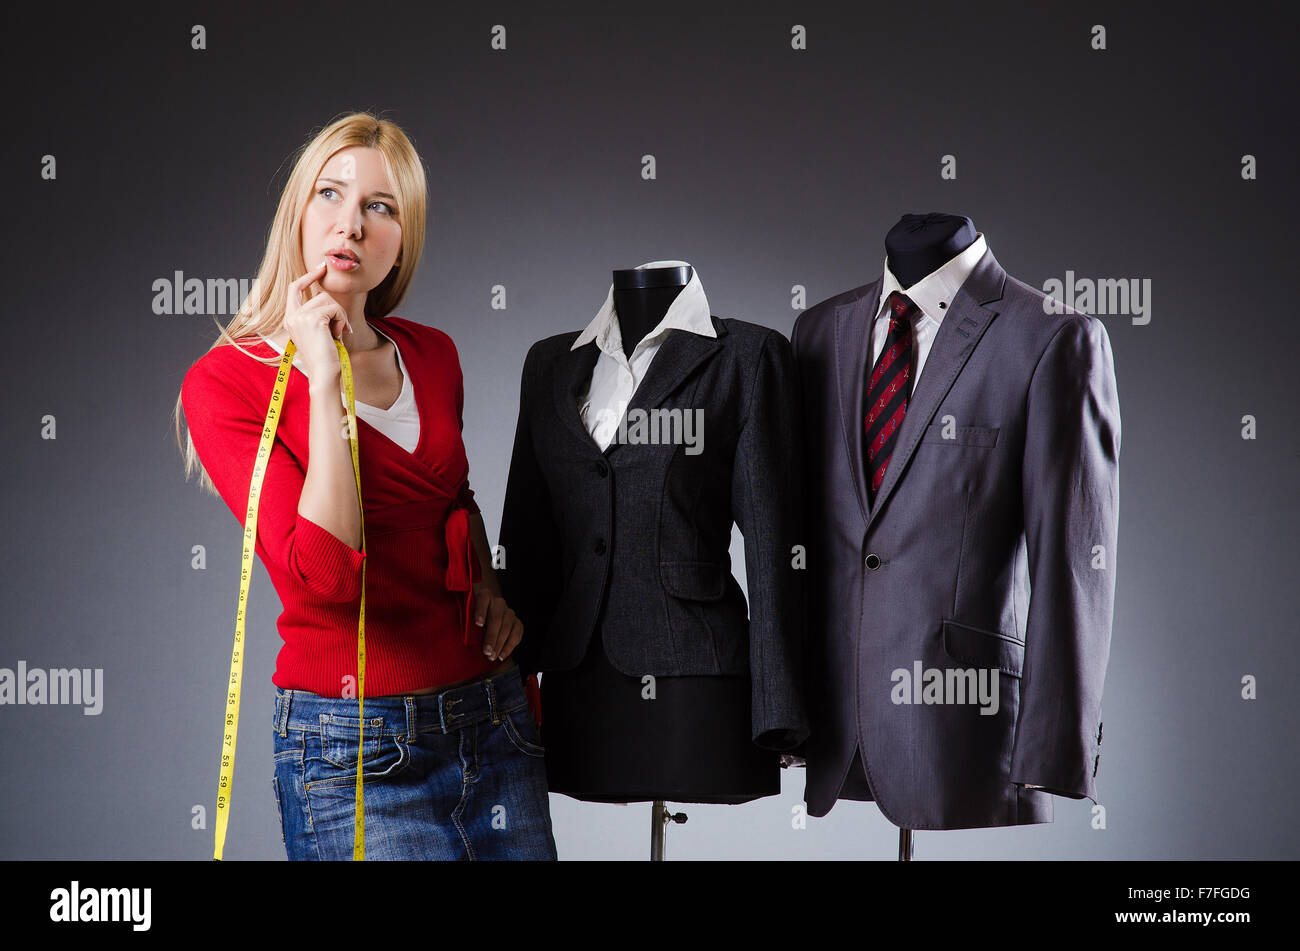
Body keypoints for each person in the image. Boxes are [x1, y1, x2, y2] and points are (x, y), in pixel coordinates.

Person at [174, 112, 557, 860]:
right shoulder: (226, 382)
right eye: (330, 194)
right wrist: (323, 380)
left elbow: (455, 496)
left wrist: (490, 588)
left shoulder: (434, 352)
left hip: (494, 716)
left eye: (380, 207)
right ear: (297, 213)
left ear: (401, 240)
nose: (350, 223)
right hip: (353, 750)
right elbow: (324, 575)